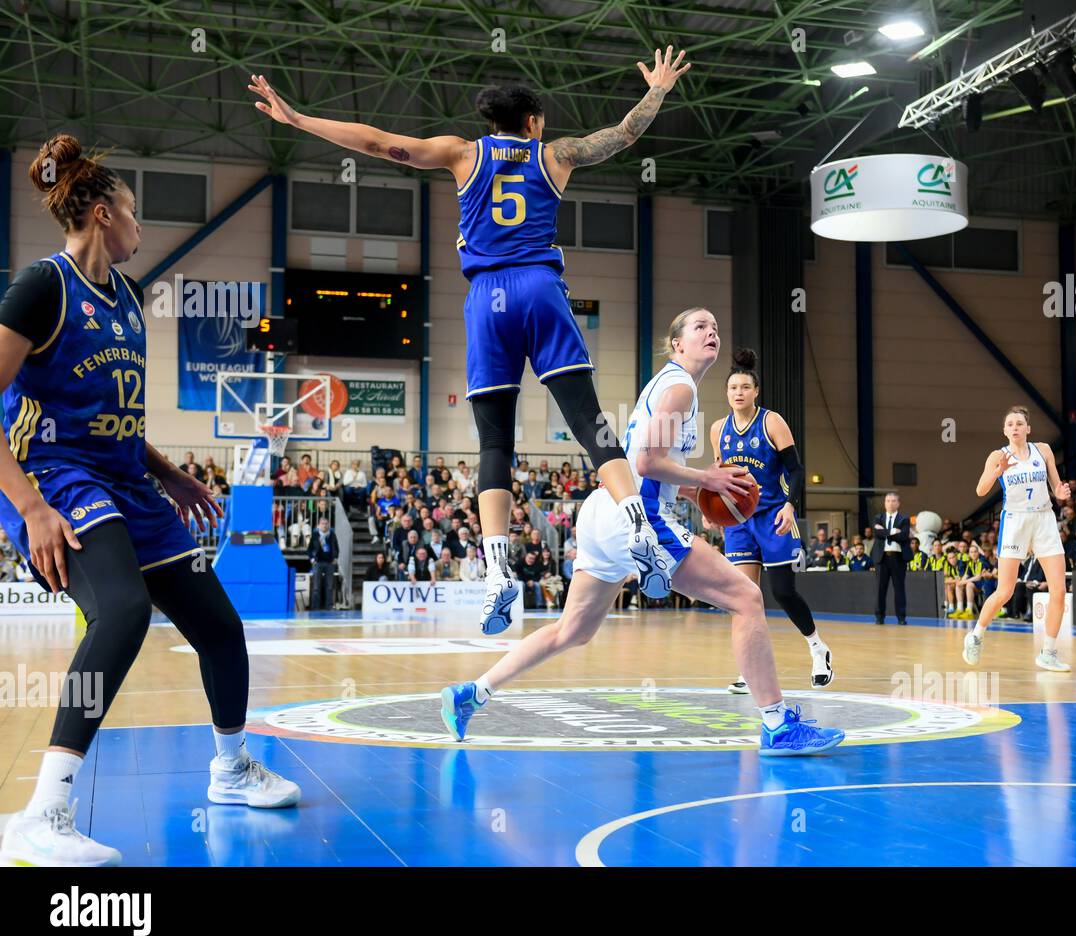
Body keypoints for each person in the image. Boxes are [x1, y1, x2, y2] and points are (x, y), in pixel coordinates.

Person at [249, 48, 693, 636]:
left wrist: (301, 120)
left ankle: (497, 570)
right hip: (541, 287)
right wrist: (657, 89)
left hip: (489, 300)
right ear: (533, 122)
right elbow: (624, 133)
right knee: (589, 423)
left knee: (494, 442)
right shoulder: (556, 155)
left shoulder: (464, 153)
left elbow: (380, 142)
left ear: (494, 123)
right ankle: (639, 526)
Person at [0, 136, 297, 867]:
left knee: (221, 626)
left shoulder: (127, 299)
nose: (140, 229)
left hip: (127, 479)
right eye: (133, 216)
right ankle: (45, 810)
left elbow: (118, 415)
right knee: (124, 610)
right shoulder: (43, 287)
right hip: (55, 478)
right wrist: (32, 509)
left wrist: (167, 472)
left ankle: (229, 770)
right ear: (102, 214)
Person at [439, 308, 844, 756]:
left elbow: (645, 463)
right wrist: (707, 480)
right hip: (637, 514)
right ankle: (776, 725)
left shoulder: (669, 385)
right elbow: (649, 463)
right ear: (678, 344)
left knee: (572, 630)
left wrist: (697, 496)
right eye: (699, 327)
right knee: (746, 599)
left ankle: (472, 693)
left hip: (602, 512)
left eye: (715, 328)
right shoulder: (678, 388)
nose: (711, 333)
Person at [709, 347, 830, 694]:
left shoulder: (771, 421)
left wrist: (791, 505)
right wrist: (711, 510)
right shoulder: (718, 429)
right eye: (733, 388)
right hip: (738, 521)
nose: (739, 393)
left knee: (782, 592)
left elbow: (796, 470)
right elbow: (720, 474)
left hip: (774, 514)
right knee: (743, 598)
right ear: (727, 392)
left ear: (755, 391)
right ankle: (750, 671)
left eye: (745, 387)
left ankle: (817, 648)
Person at [962, 406, 1073, 672]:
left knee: (1058, 590)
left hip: (1044, 519)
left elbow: (1056, 487)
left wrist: (1061, 492)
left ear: (1028, 429)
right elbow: (980, 490)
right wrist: (997, 471)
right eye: (1010, 424)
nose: (1015, 427)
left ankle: (1048, 652)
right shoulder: (998, 455)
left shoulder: (1043, 450)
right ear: (1005, 430)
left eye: (1019, 423)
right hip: (1015, 521)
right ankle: (975, 635)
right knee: (1005, 591)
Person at [870, 492, 910, 626]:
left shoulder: (904, 518)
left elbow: (903, 536)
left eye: (893, 501)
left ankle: (901, 617)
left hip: (898, 558)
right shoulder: (878, 517)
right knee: (880, 589)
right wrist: (893, 532)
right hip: (882, 558)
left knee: (899, 588)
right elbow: (877, 533)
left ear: (898, 503)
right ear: (884, 503)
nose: (890, 503)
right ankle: (879, 617)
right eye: (888, 501)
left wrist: (885, 532)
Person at [307, 516, 339, 610]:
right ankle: (315, 607)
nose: (324, 526)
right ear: (319, 525)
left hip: (329, 563)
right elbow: (309, 550)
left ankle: (329, 606)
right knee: (316, 587)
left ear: (328, 525)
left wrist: (336, 558)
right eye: (322, 524)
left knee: (329, 587)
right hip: (318, 563)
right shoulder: (315, 535)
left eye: (326, 524)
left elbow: (336, 548)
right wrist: (312, 559)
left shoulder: (332, 534)